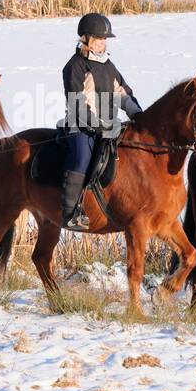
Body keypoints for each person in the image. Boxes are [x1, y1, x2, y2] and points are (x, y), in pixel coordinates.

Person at [60, 12, 142, 231]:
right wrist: (96, 124)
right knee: (82, 159)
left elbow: (122, 92)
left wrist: (137, 114)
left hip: (108, 126)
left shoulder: (108, 65)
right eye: (98, 39)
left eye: (105, 39)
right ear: (85, 39)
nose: (102, 44)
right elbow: (76, 101)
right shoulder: (75, 66)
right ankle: (71, 212)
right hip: (81, 127)